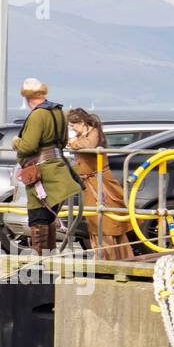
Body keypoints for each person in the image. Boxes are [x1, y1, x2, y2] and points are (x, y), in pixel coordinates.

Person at [12, 78, 82, 254]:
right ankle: (47, 261)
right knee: (49, 218)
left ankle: (39, 261)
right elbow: (64, 141)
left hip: (41, 172)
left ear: (28, 97)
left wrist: (16, 142)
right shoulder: (59, 112)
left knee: (38, 219)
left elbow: (29, 146)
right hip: (58, 169)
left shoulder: (38, 115)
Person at [66, 108, 134, 262]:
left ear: (82, 123)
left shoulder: (93, 133)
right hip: (89, 183)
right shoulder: (82, 135)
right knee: (95, 221)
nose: (72, 129)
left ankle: (112, 258)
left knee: (107, 222)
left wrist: (73, 143)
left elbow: (89, 145)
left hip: (100, 184)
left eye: (73, 125)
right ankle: (103, 256)